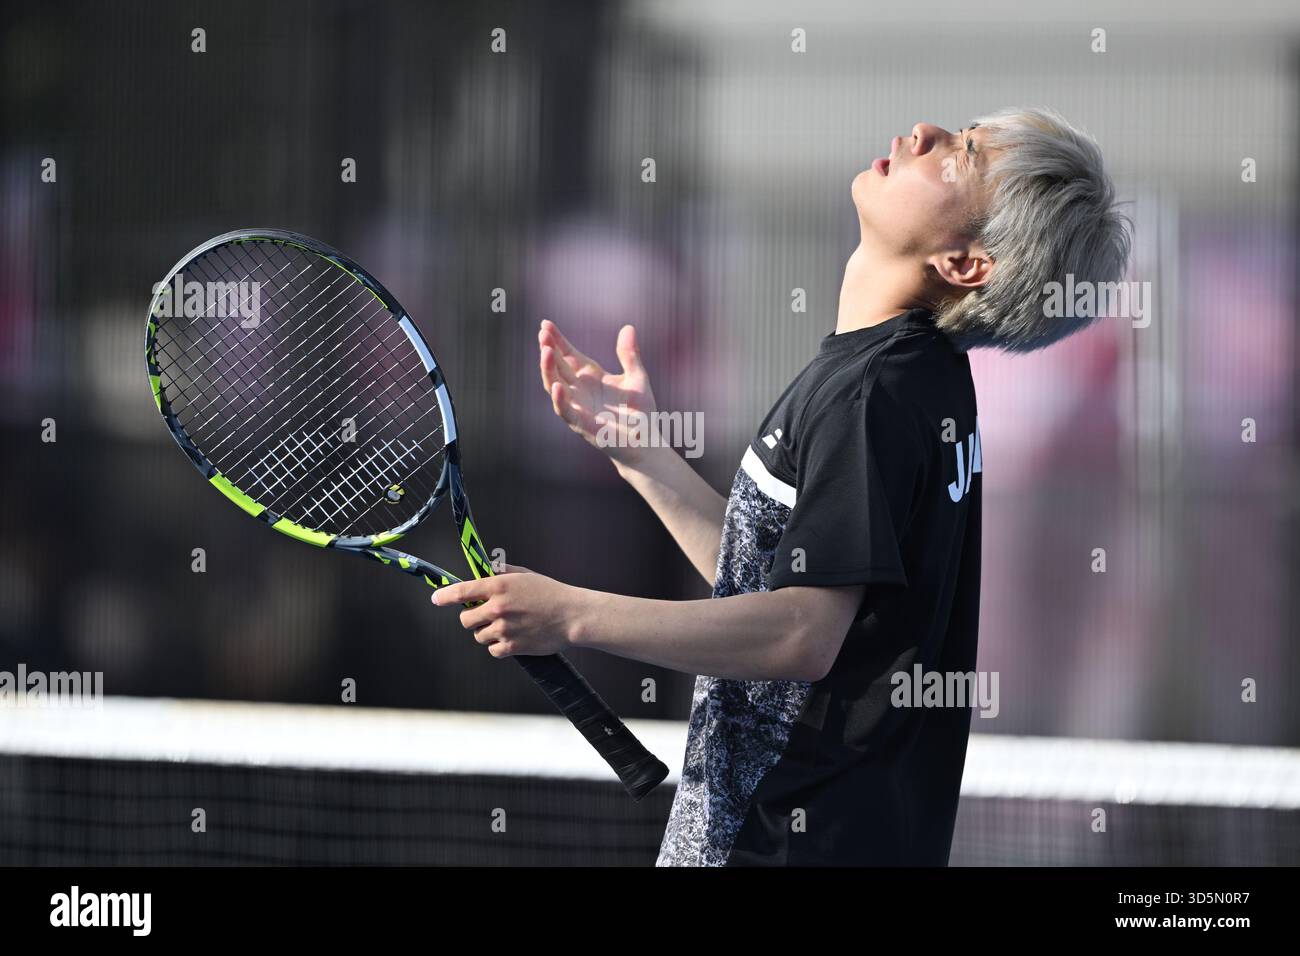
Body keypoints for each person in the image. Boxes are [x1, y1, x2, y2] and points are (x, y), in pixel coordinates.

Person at [433, 107, 1131, 865]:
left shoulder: (872, 394)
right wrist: (643, 454)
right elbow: (769, 580)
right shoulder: (914, 377)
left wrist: (571, 615)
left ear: (965, 264)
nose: (923, 131)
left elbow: (801, 633)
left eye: (962, 156)